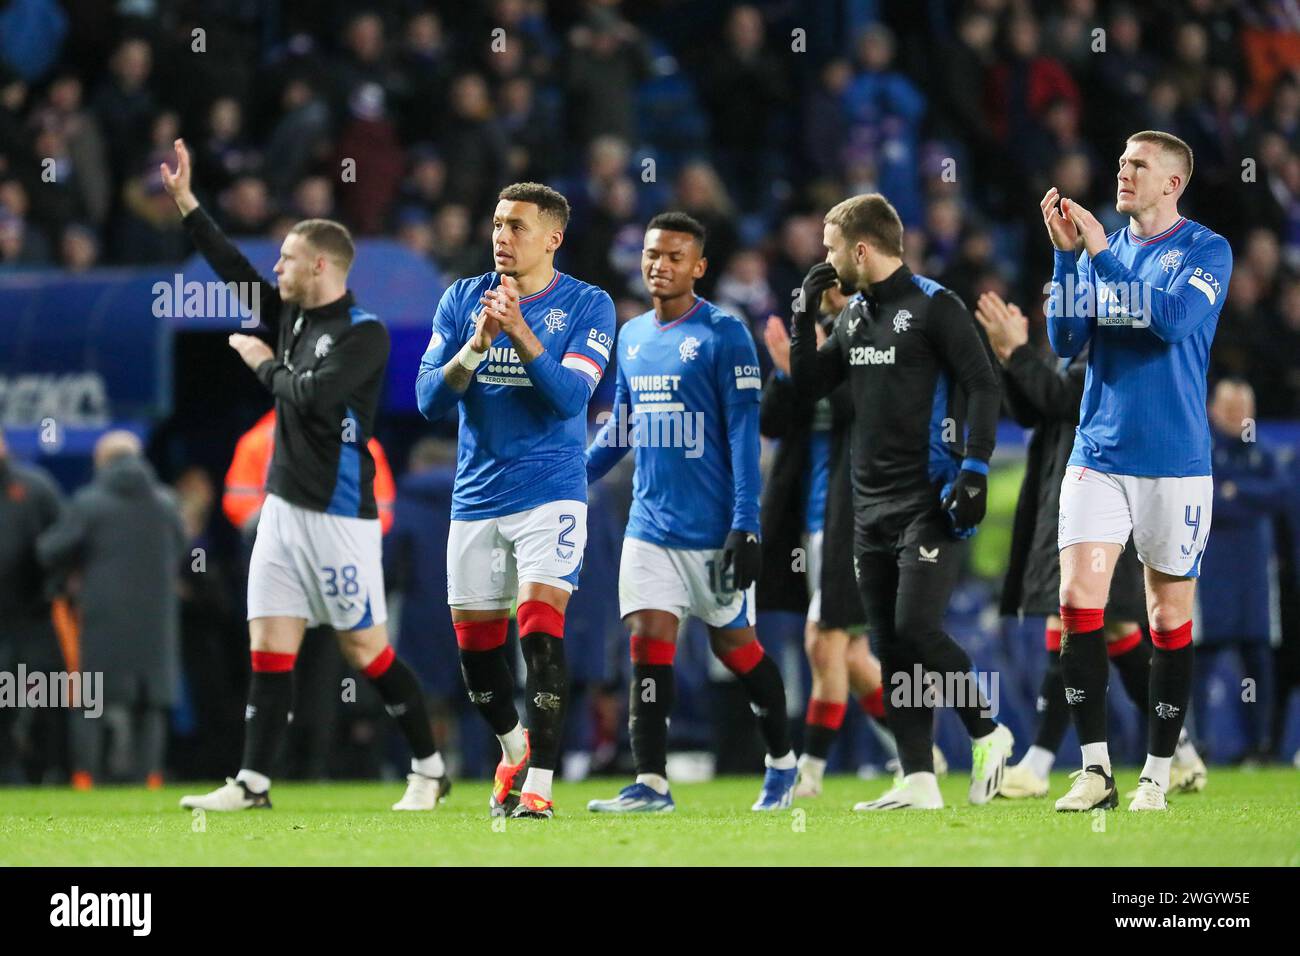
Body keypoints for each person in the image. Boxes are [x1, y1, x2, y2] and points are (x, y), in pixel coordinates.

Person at [160, 139, 448, 812]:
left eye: (287, 258)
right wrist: (188, 205)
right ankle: (254, 784)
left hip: (337, 513)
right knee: (268, 641)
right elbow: (232, 271)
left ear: (320, 265)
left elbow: (313, 397)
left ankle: (430, 768)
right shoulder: (288, 315)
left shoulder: (363, 334)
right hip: (284, 510)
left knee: (365, 650)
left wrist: (261, 363)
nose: (277, 267)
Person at [789, 193, 1014, 811]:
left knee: (917, 627)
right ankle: (918, 778)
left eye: (832, 247)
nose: (827, 260)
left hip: (930, 499)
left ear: (861, 248)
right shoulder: (853, 316)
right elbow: (809, 386)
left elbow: (982, 382)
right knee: (888, 642)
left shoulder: (936, 306)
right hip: (868, 507)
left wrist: (974, 468)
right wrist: (803, 317)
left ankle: (988, 733)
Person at [1043, 130, 1233, 811]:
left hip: (1176, 464)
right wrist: (1068, 261)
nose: (1123, 171)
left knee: (1166, 616)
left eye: (1138, 165)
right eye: (1120, 160)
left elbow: (1173, 321)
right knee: (1077, 604)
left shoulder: (1206, 250)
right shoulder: (1104, 251)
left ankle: (1157, 771)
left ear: (1171, 184)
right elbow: (1066, 340)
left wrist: (1096, 254)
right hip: (1099, 454)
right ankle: (1096, 770)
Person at [584, 212, 797, 813]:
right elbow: (621, 426)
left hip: (713, 531)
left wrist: (747, 526)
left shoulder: (725, 335)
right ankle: (651, 784)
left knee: (738, 651)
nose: (660, 265)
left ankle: (782, 762)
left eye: (675, 257)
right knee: (649, 646)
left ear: (698, 267)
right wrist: (568, 476)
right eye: (653, 254)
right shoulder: (630, 337)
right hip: (649, 527)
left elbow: (743, 435)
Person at [416, 182, 616, 819]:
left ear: (552, 238)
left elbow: (567, 400)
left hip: (551, 493)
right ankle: (513, 748)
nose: (502, 236)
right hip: (475, 496)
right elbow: (428, 401)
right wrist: (476, 344)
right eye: (498, 223)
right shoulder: (461, 298)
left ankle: (542, 789)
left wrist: (520, 332)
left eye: (518, 226)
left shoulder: (589, 305)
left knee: (539, 634)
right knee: (477, 661)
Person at [974, 290, 1207, 798]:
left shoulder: (1114, 352)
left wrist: (1017, 353)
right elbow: (1034, 411)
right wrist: (1006, 354)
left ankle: (1043, 763)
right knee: (1098, 626)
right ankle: (1180, 750)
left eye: (1066, 295)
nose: (1055, 304)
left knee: (1096, 621)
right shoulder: (1076, 351)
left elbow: (1061, 399)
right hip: (1069, 491)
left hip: (1112, 500)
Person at [759, 308, 913, 796]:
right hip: (806, 527)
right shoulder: (799, 364)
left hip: (855, 523)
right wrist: (786, 372)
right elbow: (770, 422)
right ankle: (916, 751)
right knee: (849, 654)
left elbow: (864, 411)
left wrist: (813, 373)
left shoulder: (864, 359)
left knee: (822, 641)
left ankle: (810, 770)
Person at [37, 432, 184, 789]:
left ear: (102, 461)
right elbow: (181, 547)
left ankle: (88, 775)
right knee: (151, 701)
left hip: (102, 619)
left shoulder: (90, 503)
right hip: (156, 619)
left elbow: (50, 551)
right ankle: (148, 776)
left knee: (90, 697)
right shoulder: (166, 503)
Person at [1196, 379, 1287, 762]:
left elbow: (1283, 493)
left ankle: (1260, 745)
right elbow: (1207, 498)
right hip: (1208, 577)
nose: (1236, 417)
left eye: (1242, 409)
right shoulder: (1200, 450)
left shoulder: (1262, 452)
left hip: (1253, 579)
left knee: (1256, 661)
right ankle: (1196, 743)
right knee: (1200, 661)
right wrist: (1246, 498)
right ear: (1213, 409)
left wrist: (1236, 492)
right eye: (1229, 408)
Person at [0, 430, 65, 783]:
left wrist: (53, 584)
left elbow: (64, 538)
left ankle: (48, 771)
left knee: (47, 698)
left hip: (32, 617)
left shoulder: (34, 487)